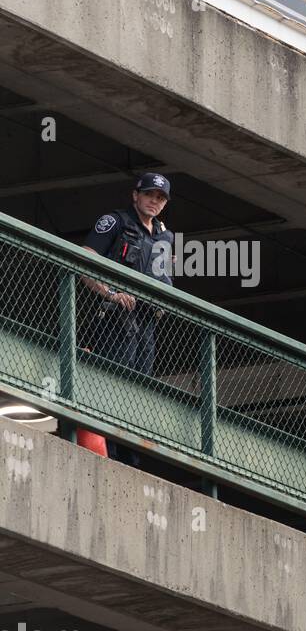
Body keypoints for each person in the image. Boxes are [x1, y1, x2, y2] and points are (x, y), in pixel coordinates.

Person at [78, 173, 176, 464]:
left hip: (146, 325)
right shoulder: (115, 222)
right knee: (112, 385)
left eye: (160, 198)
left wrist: (163, 302)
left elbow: (164, 277)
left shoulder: (164, 236)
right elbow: (85, 257)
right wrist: (109, 292)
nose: (153, 201)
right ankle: (109, 456)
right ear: (135, 195)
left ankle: (130, 461)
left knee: (139, 393)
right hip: (114, 319)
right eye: (148, 195)